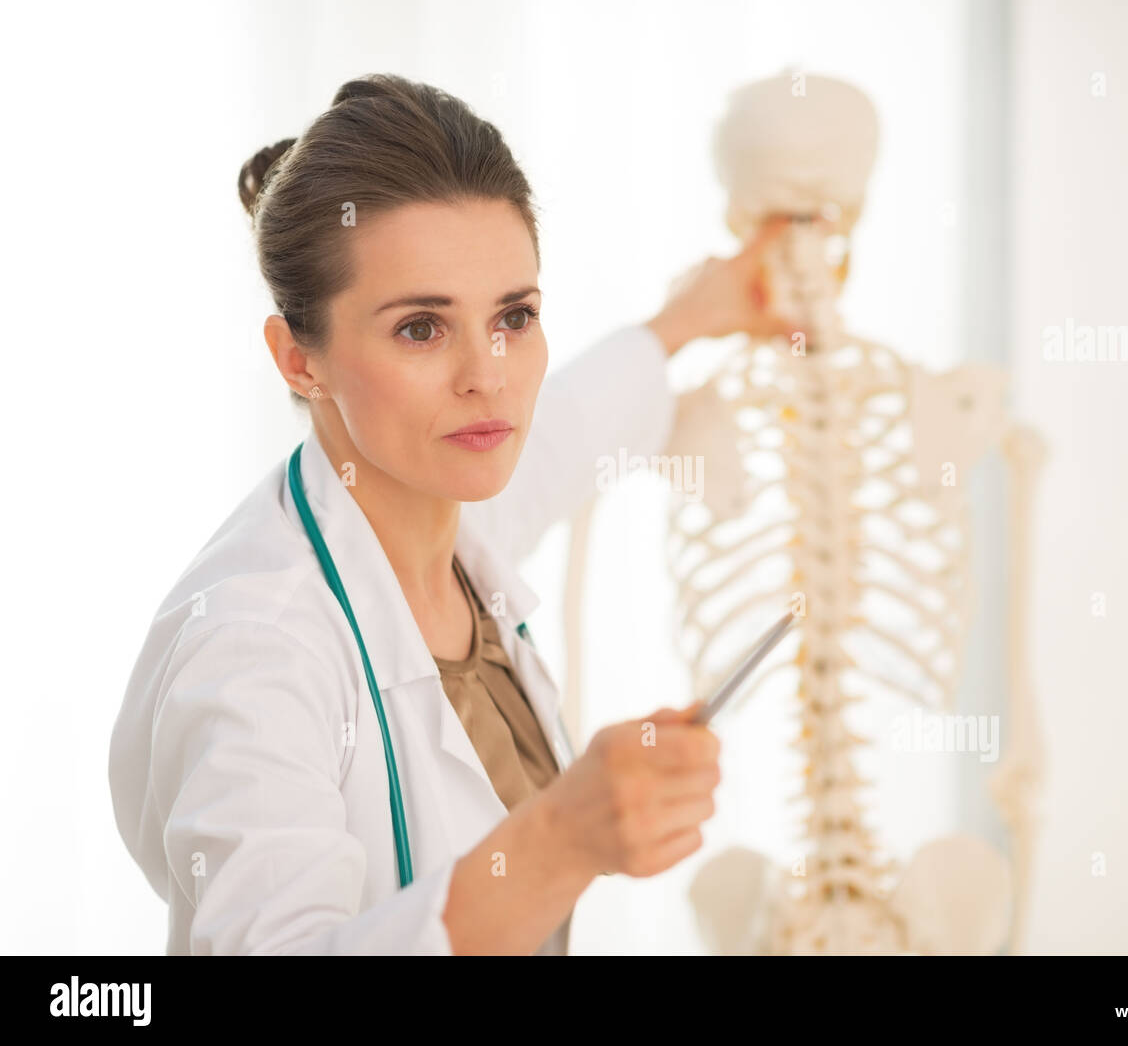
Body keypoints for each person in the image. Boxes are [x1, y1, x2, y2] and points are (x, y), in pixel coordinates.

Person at [108, 72, 796, 955]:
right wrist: (563, 839)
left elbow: (570, 433)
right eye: (421, 328)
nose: (489, 375)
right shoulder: (254, 648)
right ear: (297, 359)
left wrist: (690, 317)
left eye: (514, 315)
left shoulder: (450, 524)